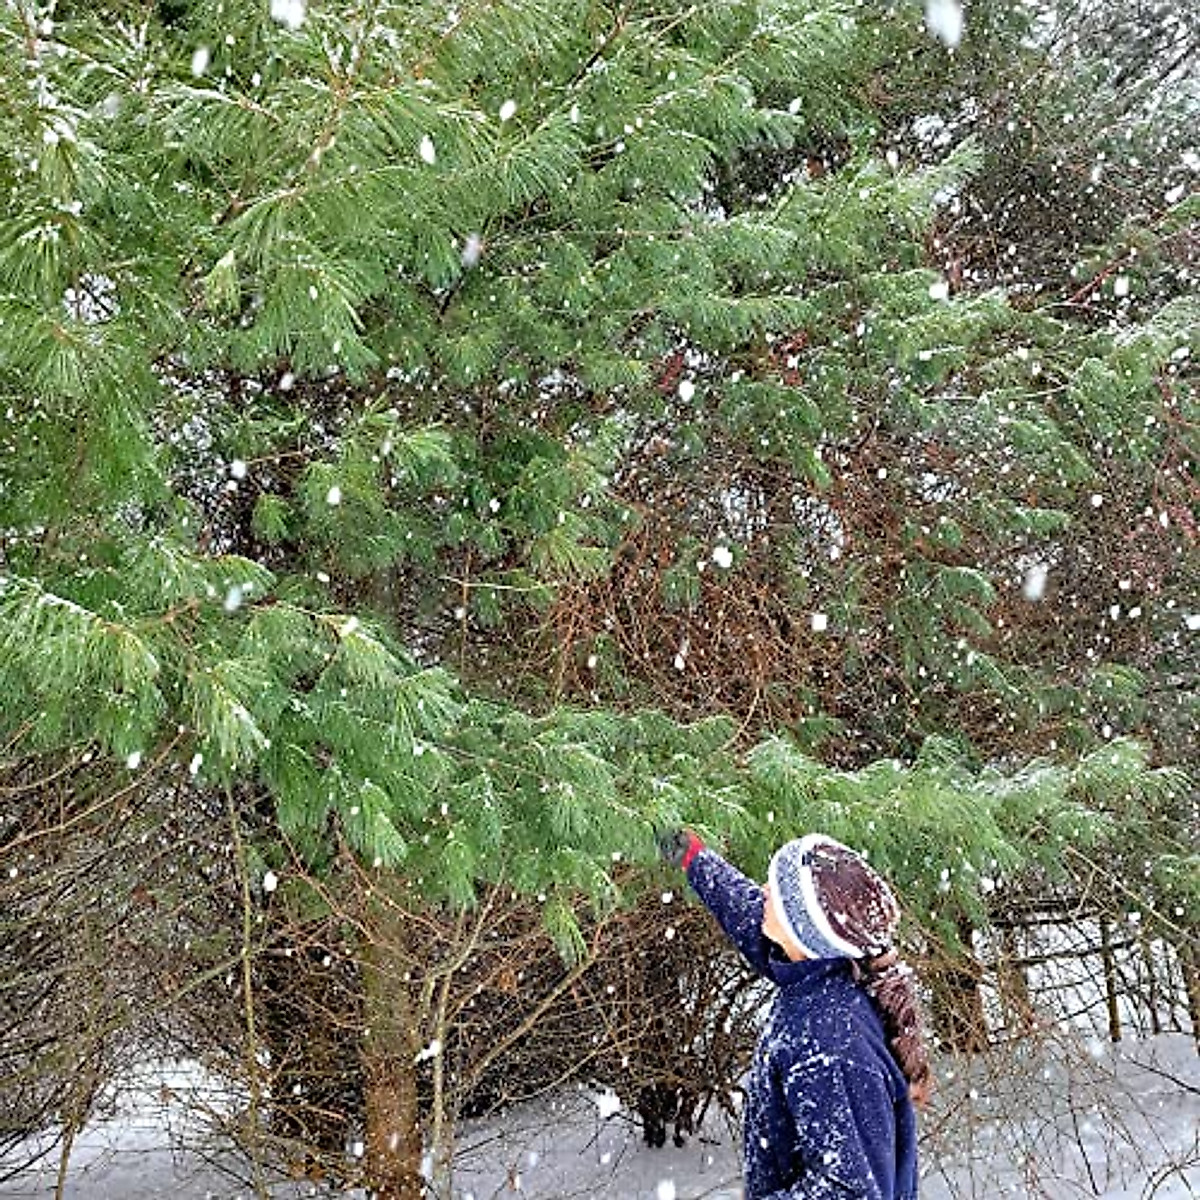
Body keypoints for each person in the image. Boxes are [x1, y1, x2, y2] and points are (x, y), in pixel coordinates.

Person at [659, 829, 931, 1200]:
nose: (765, 892)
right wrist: (694, 859)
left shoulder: (828, 1047)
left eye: (777, 890)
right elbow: (751, 913)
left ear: (803, 927)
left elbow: (850, 1193)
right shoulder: (821, 972)